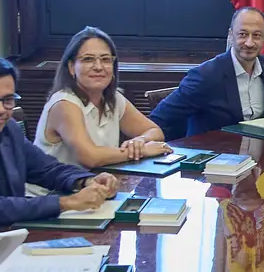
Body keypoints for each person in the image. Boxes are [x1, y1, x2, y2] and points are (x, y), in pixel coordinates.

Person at [0, 53, 120, 228]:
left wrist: (86, 180)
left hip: (12, 235)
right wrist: (67, 203)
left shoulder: (8, 128)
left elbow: (46, 168)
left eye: (8, 100)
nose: (1, 109)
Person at [36, 26, 172, 168]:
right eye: (88, 59)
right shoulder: (64, 103)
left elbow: (155, 132)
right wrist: (142, 151)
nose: (98, 67)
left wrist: (138, 141)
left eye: (105, 59)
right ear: (71, 67)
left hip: (95, 184)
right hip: (53, 189)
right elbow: (90, 157)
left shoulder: (114, 99)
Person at [149, 7, 264, 140]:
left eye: (257, 35)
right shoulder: (206, 75)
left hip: (254, 156)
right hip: (211, 155)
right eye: (243, 34)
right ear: (231, 35)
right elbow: (160, 118)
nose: (249, 43)